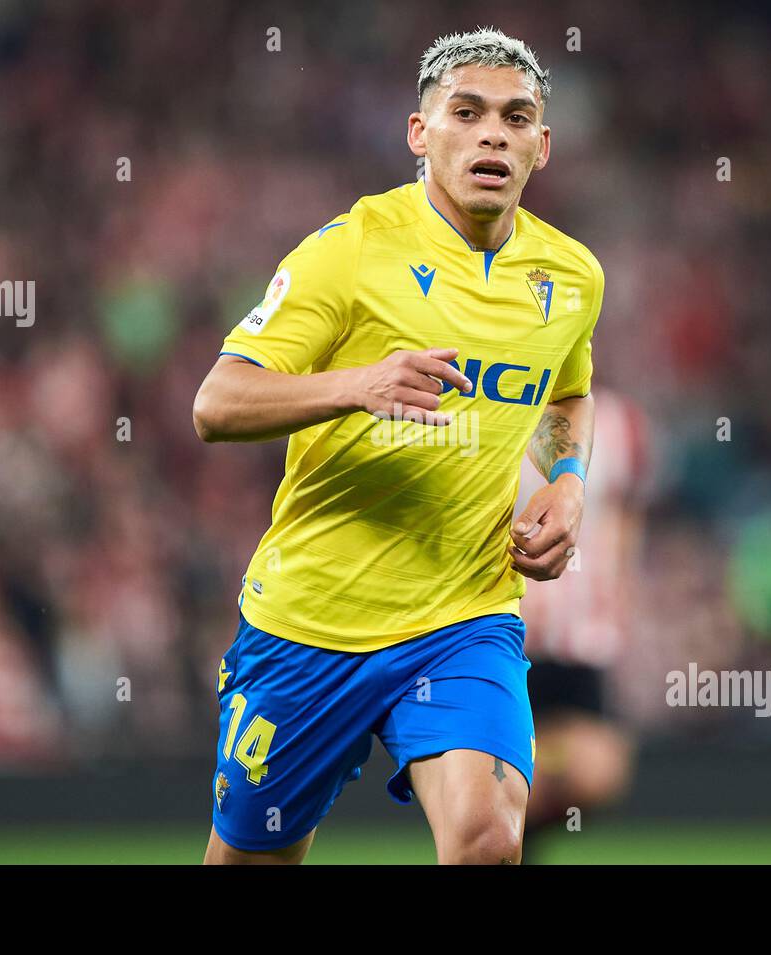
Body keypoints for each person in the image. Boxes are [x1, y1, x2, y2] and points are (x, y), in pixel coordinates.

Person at [192, 27, 604, 864]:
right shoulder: (347, 252)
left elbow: (568, 388)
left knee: (488, 840)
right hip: (312, 621)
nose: (493, 133)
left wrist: (564, 477)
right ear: (422, 134)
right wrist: (356, 384)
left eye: (516, 118)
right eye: (468, 112)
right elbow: (216, 403)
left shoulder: (571, 278)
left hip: (465, 612)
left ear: (541, 146)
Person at [516, 387, 647, 861]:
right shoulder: (493, 407)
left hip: (581, 639)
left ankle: (513, 837)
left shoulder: (618, 420)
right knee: (499, 778)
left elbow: (628, 515)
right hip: (506, 628)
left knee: (598, 773)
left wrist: (621, 595)